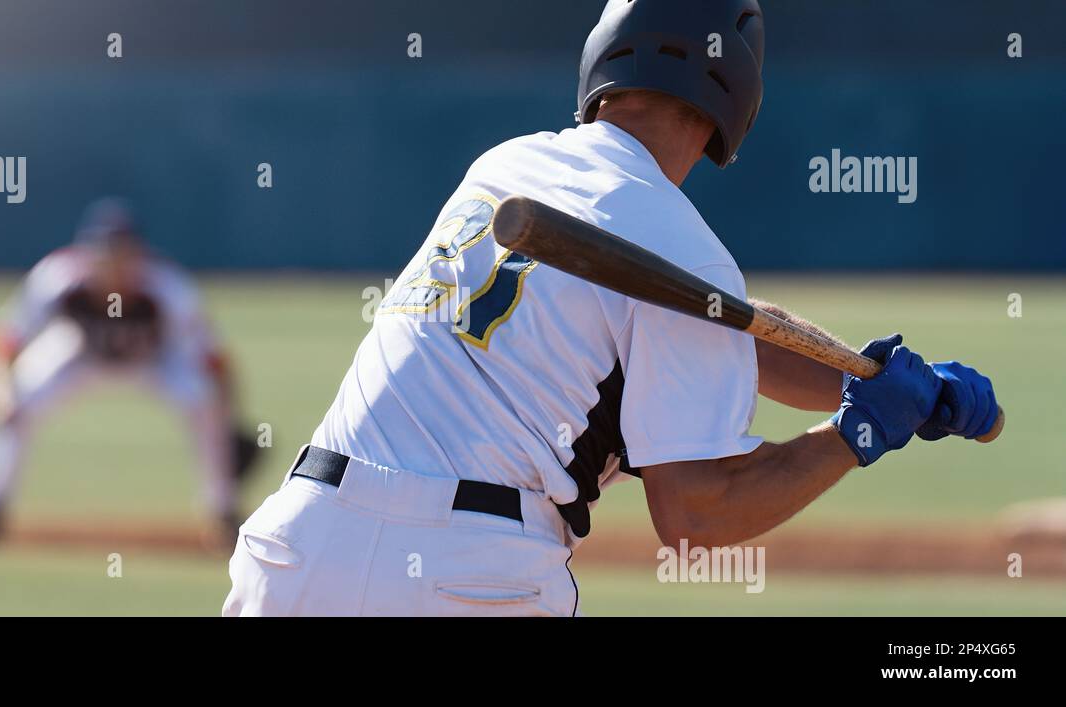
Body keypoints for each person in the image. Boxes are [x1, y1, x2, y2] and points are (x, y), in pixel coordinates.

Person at [223, 0, 999, 616]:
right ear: (735, 102)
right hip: (469, 579)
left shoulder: (507, 164)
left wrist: (884, 387)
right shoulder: (682, 248)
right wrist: (857, 432)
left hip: (296, 549)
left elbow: (722, 323)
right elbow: (698, 514)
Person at [0, 198, 258, 550]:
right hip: (80, 353)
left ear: (138, 255)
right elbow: (2, 340)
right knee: (15, 405)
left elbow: (214, 359)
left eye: (121, 253)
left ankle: (223, 513)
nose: (112, 262)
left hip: (154, 360)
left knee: (204, 402)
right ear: (86, 253)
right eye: (104, 253)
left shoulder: (168, 288)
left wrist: (231, 417)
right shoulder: (57, 278)